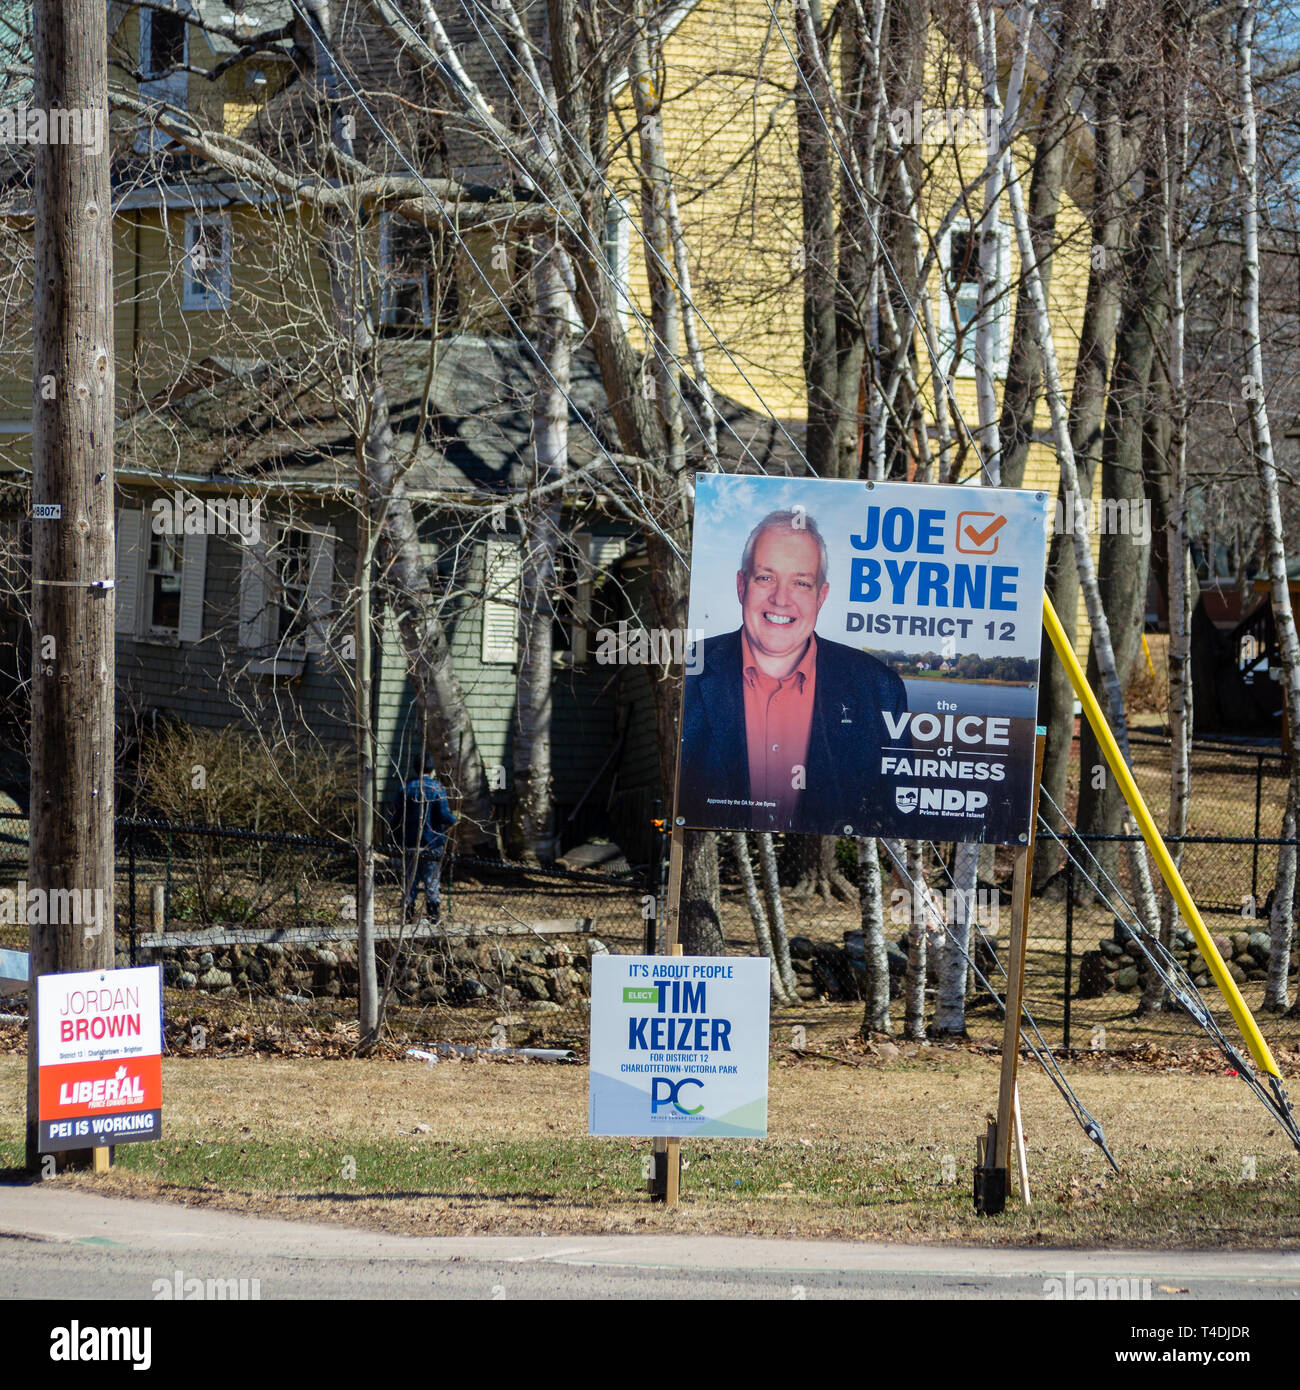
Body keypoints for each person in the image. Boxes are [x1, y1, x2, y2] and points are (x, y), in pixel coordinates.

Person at [678, 508, 907, 836]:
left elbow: (895, 809)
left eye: (801, 582)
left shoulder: (878, 689)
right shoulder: (687, 671)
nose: (780, 599)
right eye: (765, 577)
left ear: (821, 596)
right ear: (742, 586)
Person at [399, 756, 457, 922]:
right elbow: (444, 815)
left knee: (410, 881)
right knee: (432, 880)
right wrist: (455, 819)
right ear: (431, 770)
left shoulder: (405, 788)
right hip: (432, 843)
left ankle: (407, 916)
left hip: (409, 842)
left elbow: (396, 816)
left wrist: (395, 837)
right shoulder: (436, 788)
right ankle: (433, 916)